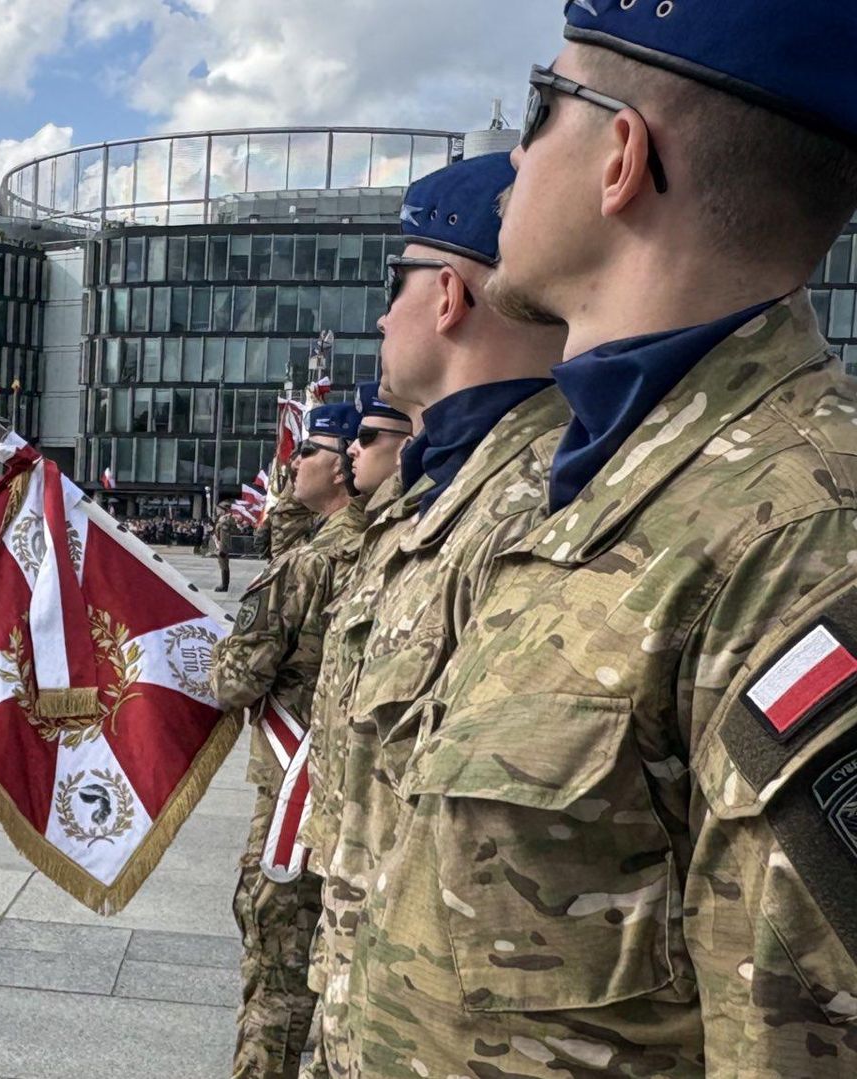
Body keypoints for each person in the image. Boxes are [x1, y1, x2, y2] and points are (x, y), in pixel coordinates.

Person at [350, 6, 857, 1075]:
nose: (516, 160)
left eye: (540, 107)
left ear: (620, 155)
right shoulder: (601, 482)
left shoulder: (806, 544)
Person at [302, 156, 574, 1079]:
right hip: (364, 1003)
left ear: (449, 295)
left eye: (397, 282)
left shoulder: (538, 505)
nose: (382, 316)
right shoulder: (433, 502)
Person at [207, 402, 366, 1079]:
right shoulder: (382, 544)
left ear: (341, 467)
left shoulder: (308, 564)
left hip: (296, 794)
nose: (290, 463)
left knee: (277, 969)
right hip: (354, 791)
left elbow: (235, 679)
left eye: (307, 453)